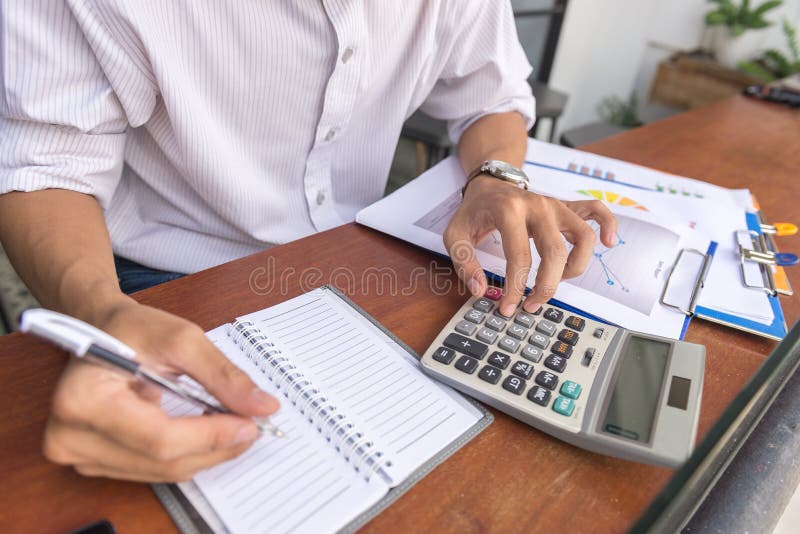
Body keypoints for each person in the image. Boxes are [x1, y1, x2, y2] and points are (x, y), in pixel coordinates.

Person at [0, 2, 616, 482]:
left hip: (359, 251)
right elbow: (44, 166)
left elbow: (490, 98)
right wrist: (101, 313)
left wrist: (495, 177)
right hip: (165, 276)